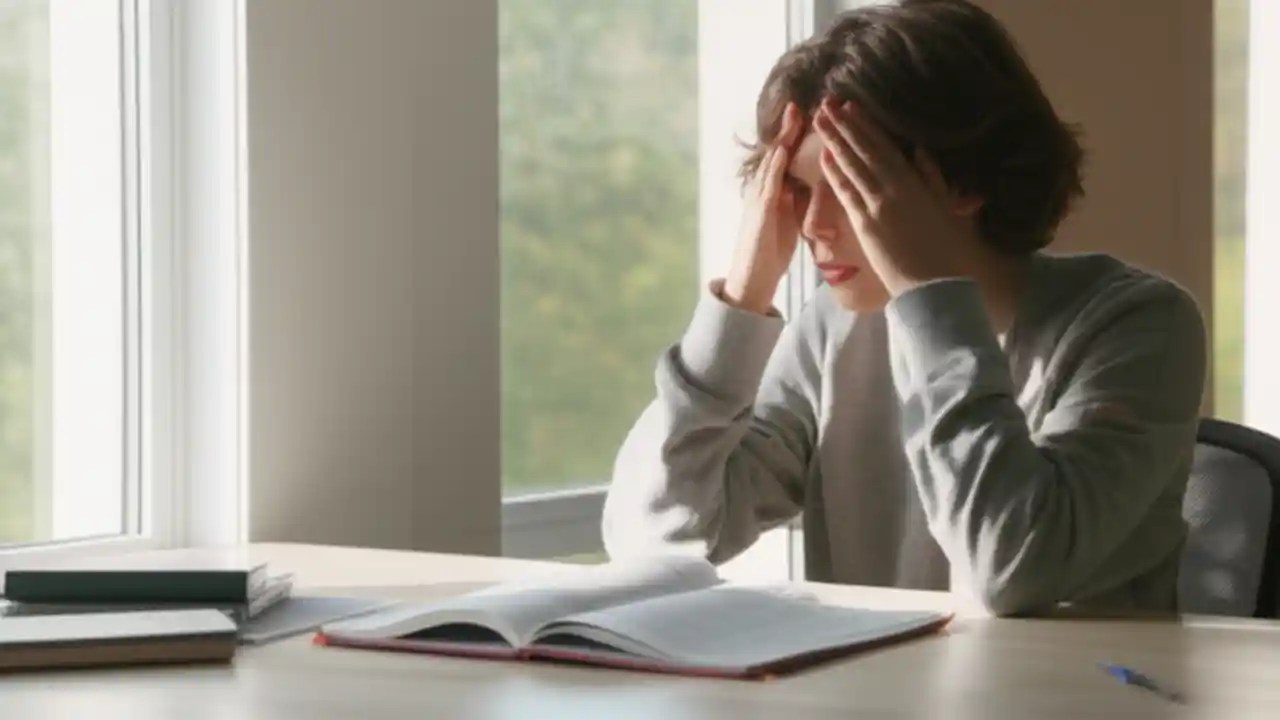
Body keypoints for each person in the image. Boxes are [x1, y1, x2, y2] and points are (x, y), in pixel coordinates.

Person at [601, 0, 1206, 616]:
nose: (813, 226)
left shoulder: (1140, 324)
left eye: (845, 185)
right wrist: (740, 300)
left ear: (964, 180)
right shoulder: (833, 330)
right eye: (798, 191)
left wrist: (929, 297)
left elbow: (1011, 567)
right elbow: (655, 538)